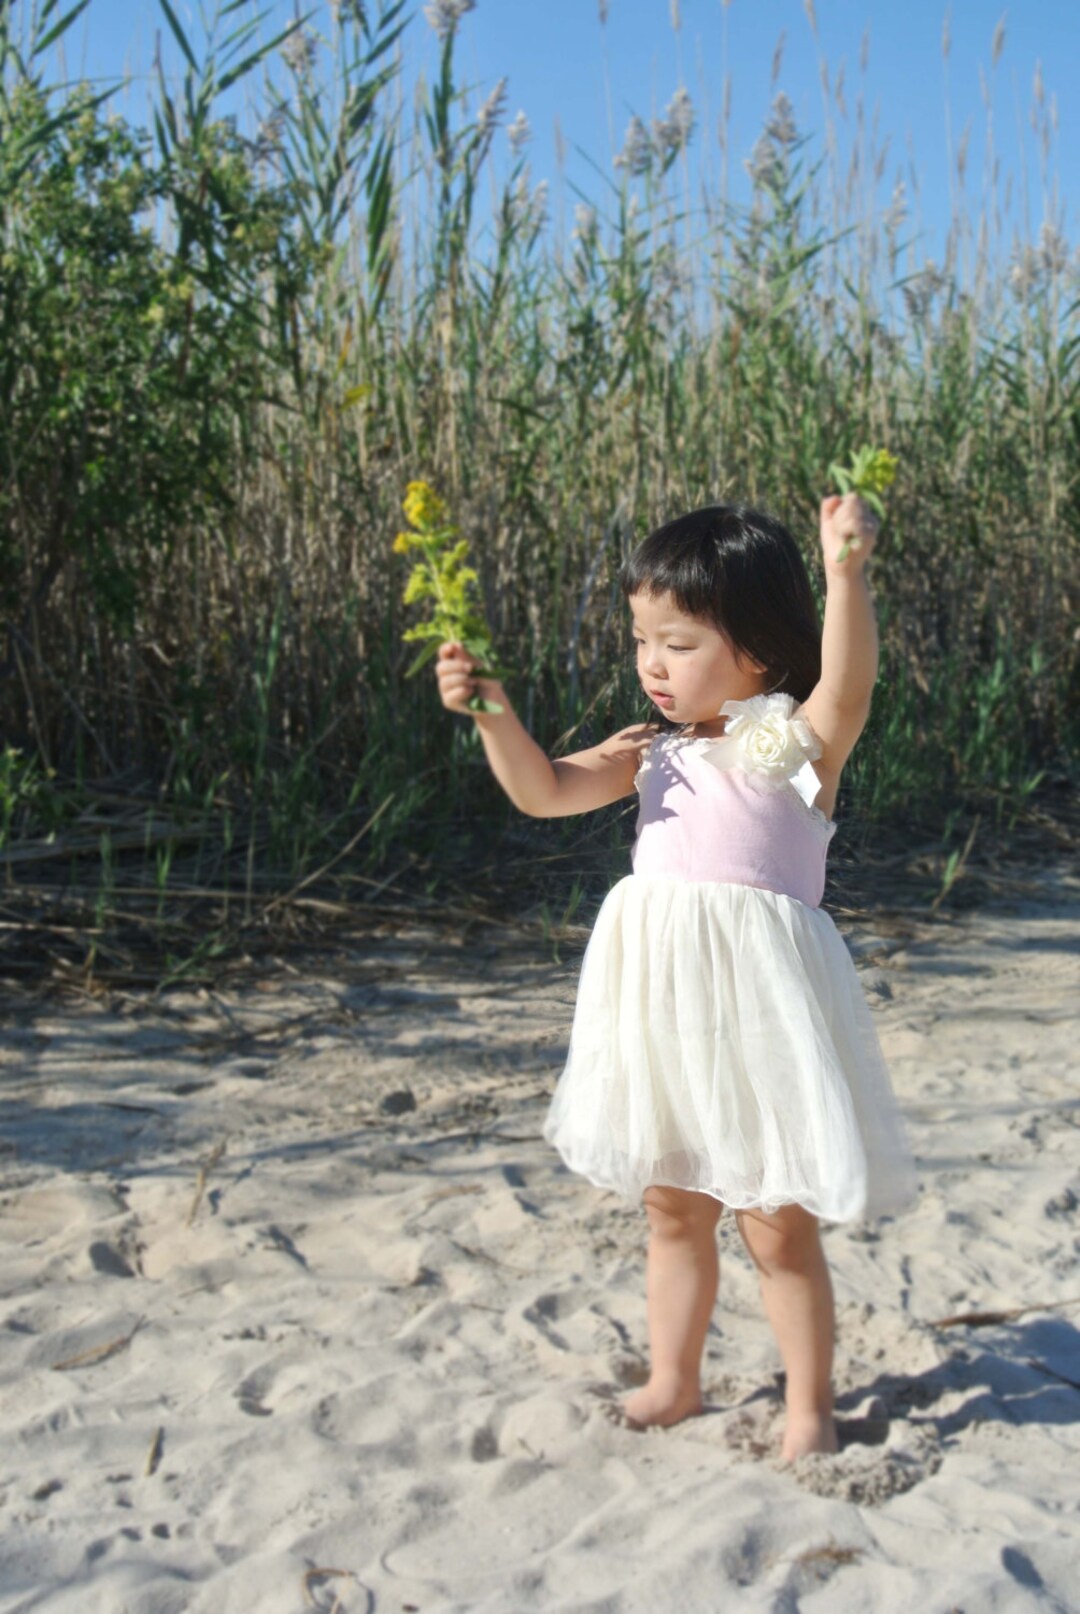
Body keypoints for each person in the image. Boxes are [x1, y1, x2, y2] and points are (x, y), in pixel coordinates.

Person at [435, 495, 915, 1461]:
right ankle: (673, 1378)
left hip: (763, 1023)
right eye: (641, 640)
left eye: (679, 643)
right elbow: (542, 790)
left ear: (759, 650)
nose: (652, 664)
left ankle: (809, 1407)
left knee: (776, 1227)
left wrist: (847, 573)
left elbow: (847, 688)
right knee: (672, 1208)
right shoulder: (651, 753)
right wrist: (492, 712)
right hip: (662, 1019)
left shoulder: (780, 747)